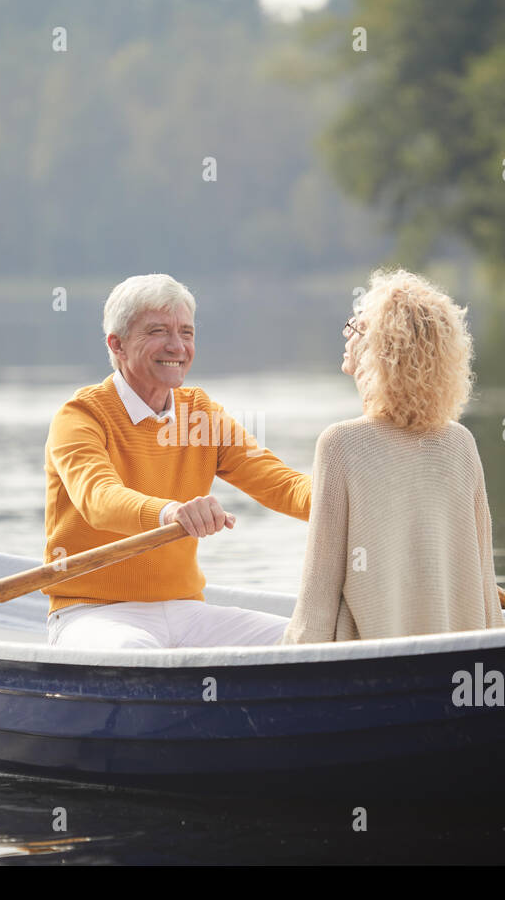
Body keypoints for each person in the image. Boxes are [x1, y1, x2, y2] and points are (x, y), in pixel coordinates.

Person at [42, 273, 311, 649]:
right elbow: (99, 500)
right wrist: (170, 513)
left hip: (186, 611)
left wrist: (355, 498)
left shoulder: (200, 413)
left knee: (308, 640)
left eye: (186, 332)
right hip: (92, 613)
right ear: (117, 344)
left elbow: (282, 485)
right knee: (131, 655)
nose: (177, 346)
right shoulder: (81, 416)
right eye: (157, 331)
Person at [283, 268, 505, 643]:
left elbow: (317, 598)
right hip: (463, 665)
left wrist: (283, 664)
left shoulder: (340, 444)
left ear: (381, 352)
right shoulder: (461, 444)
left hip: (366, 665)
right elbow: (486, 587)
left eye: (356, 329)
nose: (346, 334)